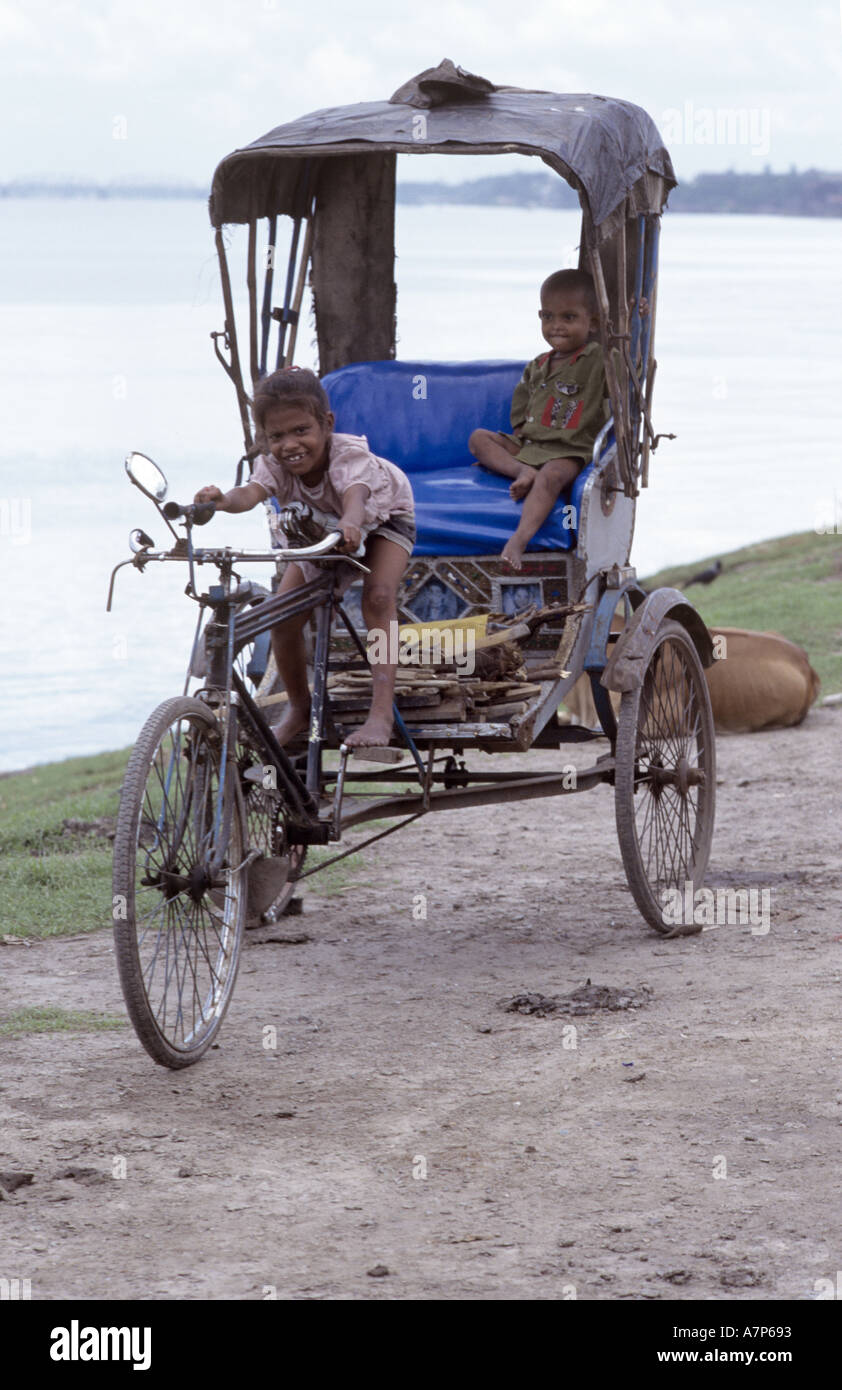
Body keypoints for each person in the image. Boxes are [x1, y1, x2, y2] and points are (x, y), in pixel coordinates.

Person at [194, 368, 415, 748]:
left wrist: (350, 522)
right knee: (283, 615)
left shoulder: (348, 454)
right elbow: (251, 493)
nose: (289, 445)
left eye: (301, 430)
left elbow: (356, 495)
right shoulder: (274, 464)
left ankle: (380, 715)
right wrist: (223, 501)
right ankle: (300, 708)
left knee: (378, 598)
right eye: (276, 436)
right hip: (321, 530)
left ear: (326, 424)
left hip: (382, 518)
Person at [468, 268, 607, 572]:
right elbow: (520, 408)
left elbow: (629, 367)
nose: (556, 326)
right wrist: (517, 442)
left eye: (568, 318)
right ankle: (522, 471)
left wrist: (638, 312)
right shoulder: (537, 365)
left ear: (592, 322)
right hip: (530, 447)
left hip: (569, 449)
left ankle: (518, 539)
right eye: (548, 317)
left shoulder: (596, 360)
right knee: (478, 438)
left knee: (551, 476)